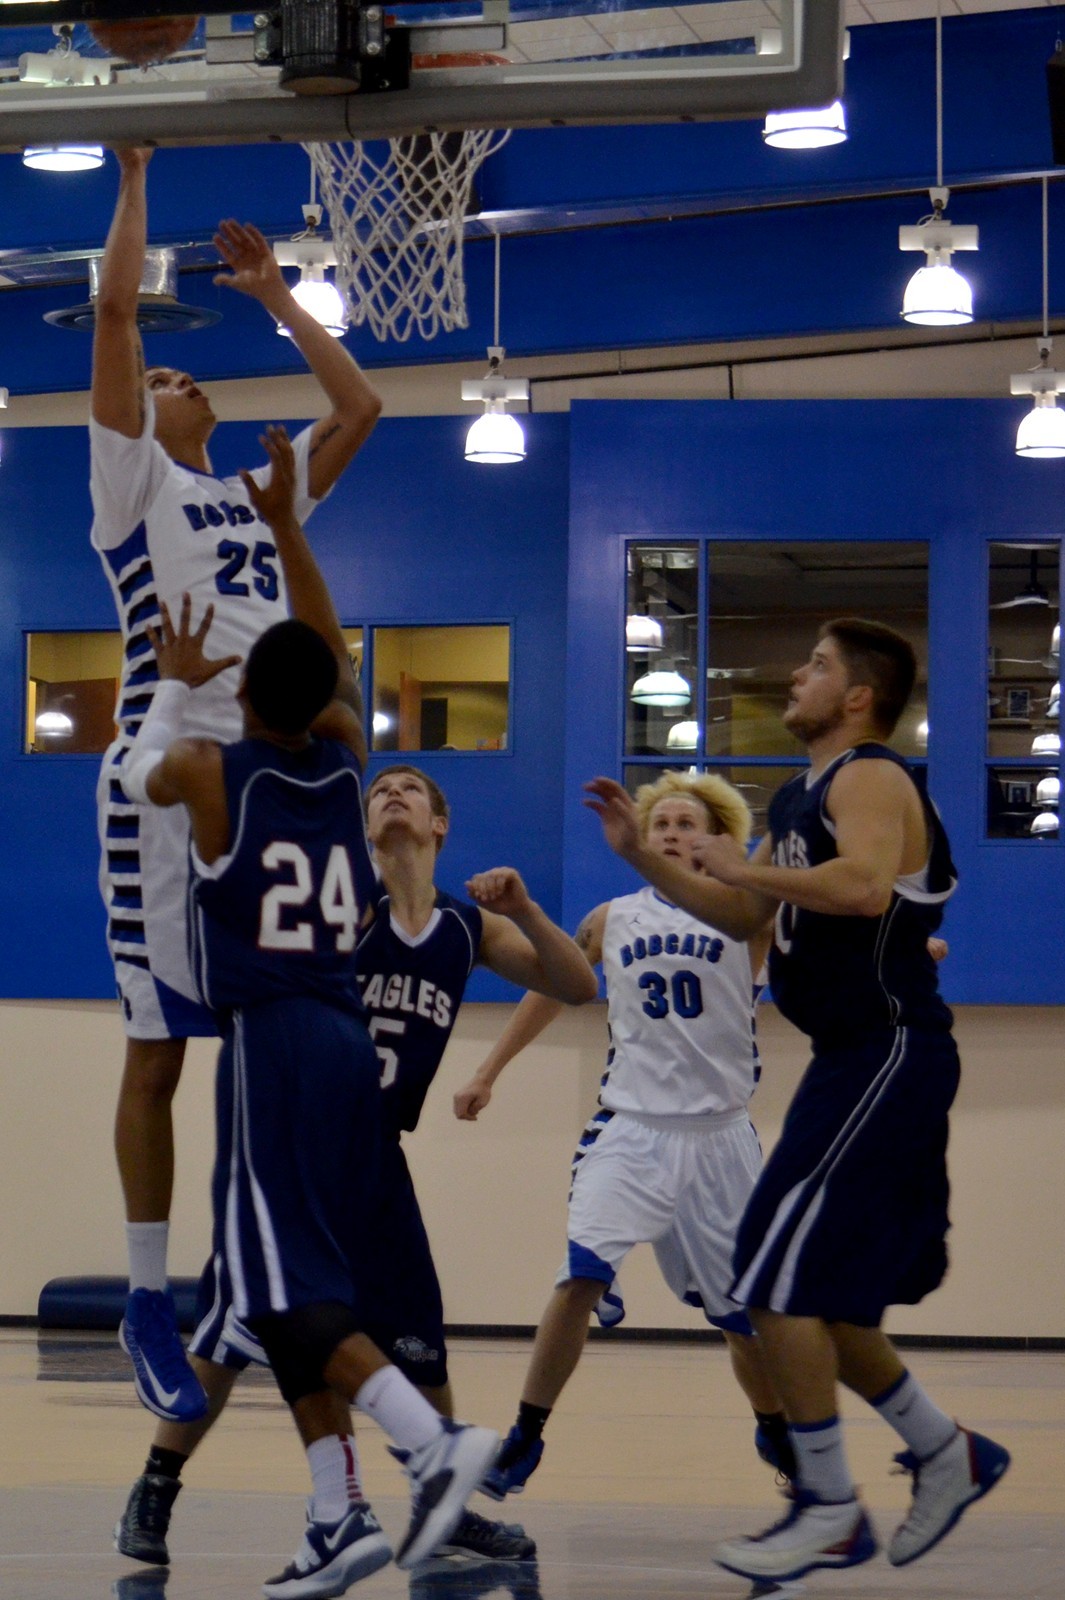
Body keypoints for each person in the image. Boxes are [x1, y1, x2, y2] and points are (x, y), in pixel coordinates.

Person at [113, 426, 500, 1598]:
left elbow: (140, 767)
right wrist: (285, 527)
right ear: (325, 699)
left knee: (277, 1292)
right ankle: (337, 1511)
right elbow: (330, 659)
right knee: (272, 1291)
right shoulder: (342, 763)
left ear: (240, 688)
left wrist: (173, 677)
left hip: (272, 1044)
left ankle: (433, 1450)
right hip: (344, 1049)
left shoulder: (211, 777)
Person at [583, 619, 1010, 1586]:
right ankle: (949, 1450)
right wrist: (646, 861)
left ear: (858, 695)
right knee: (825, 1302)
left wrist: (741, 866)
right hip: (845, 1059)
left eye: (816, 665)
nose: (796, 674)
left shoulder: (868, 774)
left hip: (888, 1049)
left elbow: (860, 889)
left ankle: (827, 1505)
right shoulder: (795, 794)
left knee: (768, 1281)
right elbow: (745, 918)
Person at [114, 760, 598, 1573]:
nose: (391, 796)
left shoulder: (465, 929)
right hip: (299, 1142)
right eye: (378, 792)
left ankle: (438, 1507)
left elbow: (578, 985)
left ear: (440, 825)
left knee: (420, 1340)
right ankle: (157, 1484)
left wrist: (526, 909)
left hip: (376, 1153)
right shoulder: (340, 910)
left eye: (410, 790)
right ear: (358, 825)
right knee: (234, 1324)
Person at [90, 146, 382, 1424]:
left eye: (182, 368)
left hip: (285, 757)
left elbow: (361, 407)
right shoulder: (133, 481)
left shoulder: (262, 492)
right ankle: (148, 1295)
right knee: (160, 1043)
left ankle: (250, 1266)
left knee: (269, 1026)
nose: (173, 375)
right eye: (161, 376)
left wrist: (277, 295)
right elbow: (111, 311)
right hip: (173, 759)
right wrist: (135, 173)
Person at [453, 771, 795, 1502]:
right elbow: (555, 985)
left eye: (687, 823)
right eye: (661, 822)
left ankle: (773, 1425)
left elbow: (827, 956)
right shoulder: (612, 918)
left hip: (719, 1137)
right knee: (577, 1274)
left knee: (741, 1323)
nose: (671, 833)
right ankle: (524, 1436)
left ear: (720, 838)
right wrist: (489, 1070)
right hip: (630, 1127)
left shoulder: (749, 916)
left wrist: (901, 964)